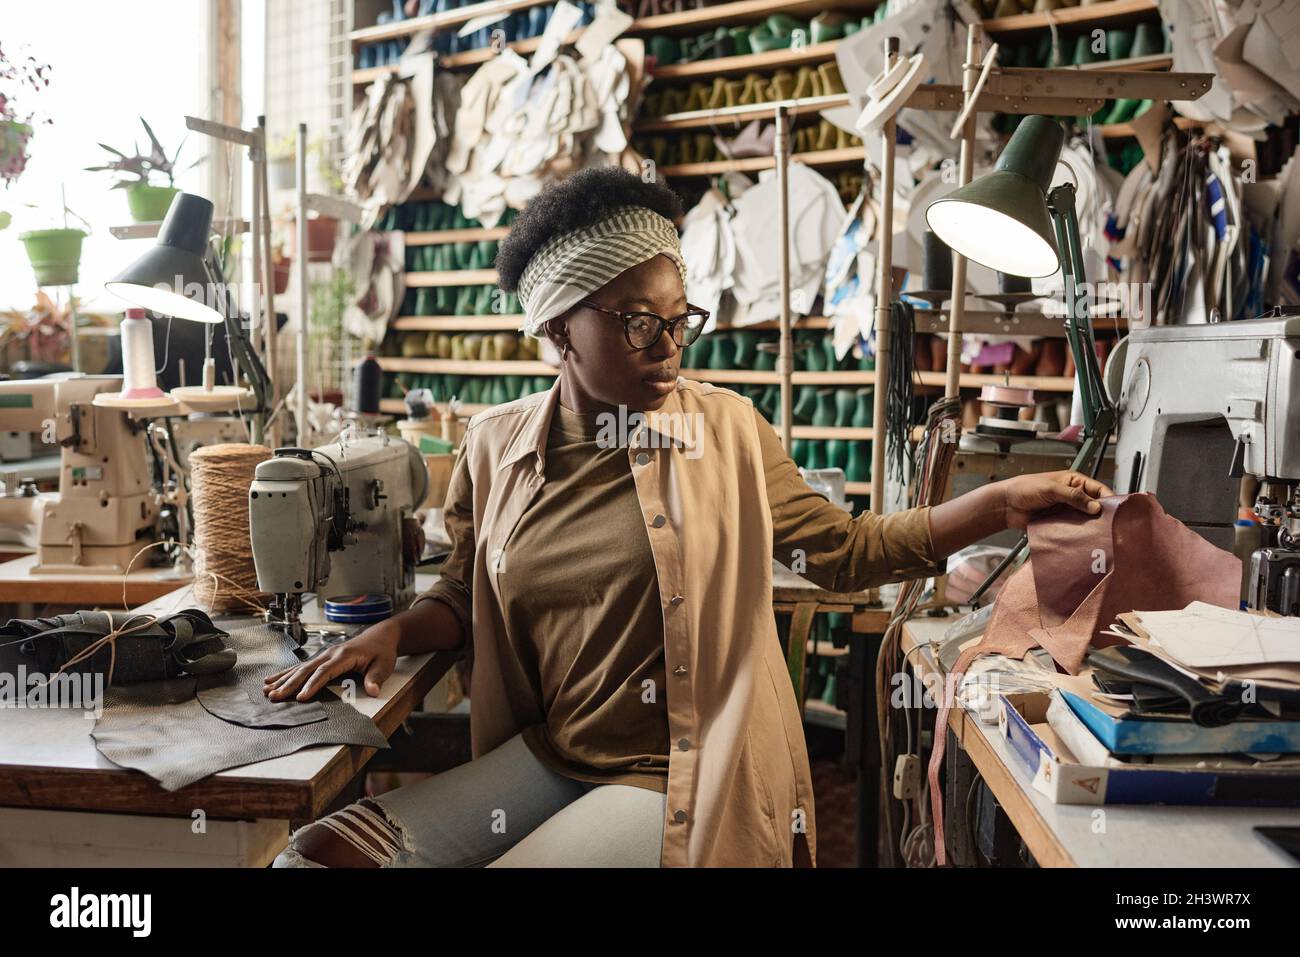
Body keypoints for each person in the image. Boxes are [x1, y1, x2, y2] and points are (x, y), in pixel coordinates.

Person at [267, 167, 1111, 868]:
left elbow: (847, 551)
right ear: (559, 328)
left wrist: (997, 502)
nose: (668, 347)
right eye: (638, 322)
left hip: (678, 771)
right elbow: (462, 593)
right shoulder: (494, 448)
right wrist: (395, 633)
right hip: (555, 755)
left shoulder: (722, 433)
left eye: (679, 321)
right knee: (314, 857)